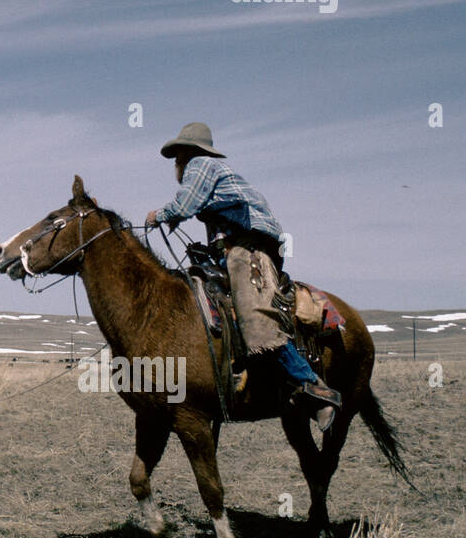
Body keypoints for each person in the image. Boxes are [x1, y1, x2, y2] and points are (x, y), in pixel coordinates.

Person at [144, 122, 343, 428]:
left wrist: (160, 215)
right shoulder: (213, 174)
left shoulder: (201, 164)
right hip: (231, 247)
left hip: (247, 250)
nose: (176, 165)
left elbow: (183, 204)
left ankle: (313, 387)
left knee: (256, 321)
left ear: (186, 153)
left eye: (177, 157)